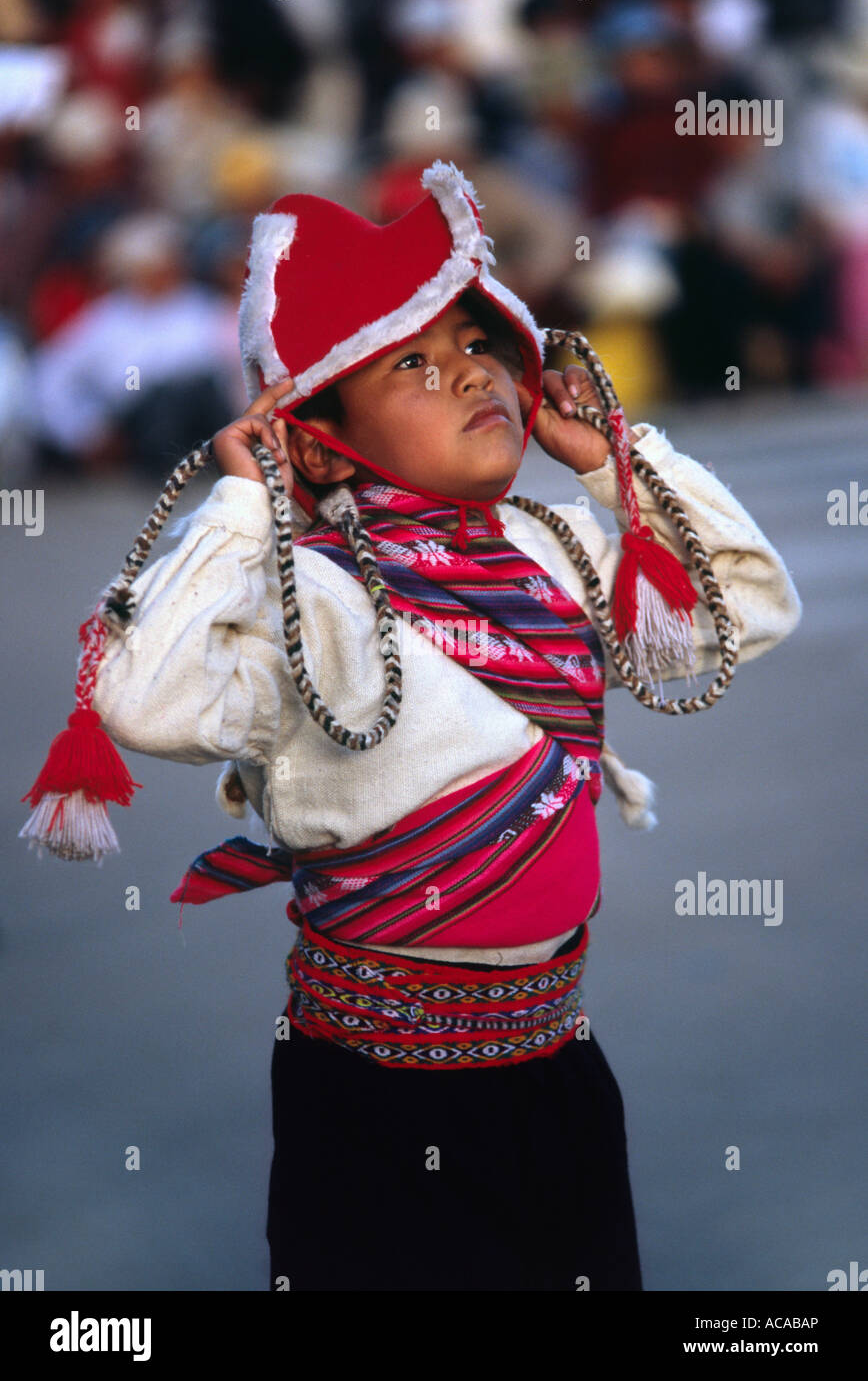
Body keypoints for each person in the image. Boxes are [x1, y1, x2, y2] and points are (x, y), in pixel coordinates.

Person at [22, 161, 802, 1291]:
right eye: (413, 366)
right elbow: (142, 699)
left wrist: (621, 468)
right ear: (323, 441)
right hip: (376, 1099)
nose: (470, 375)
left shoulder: (553, 550)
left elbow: (749, 609)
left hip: (555, 1062)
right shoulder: (313, 593)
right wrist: (250, 508)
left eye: (480, 347)